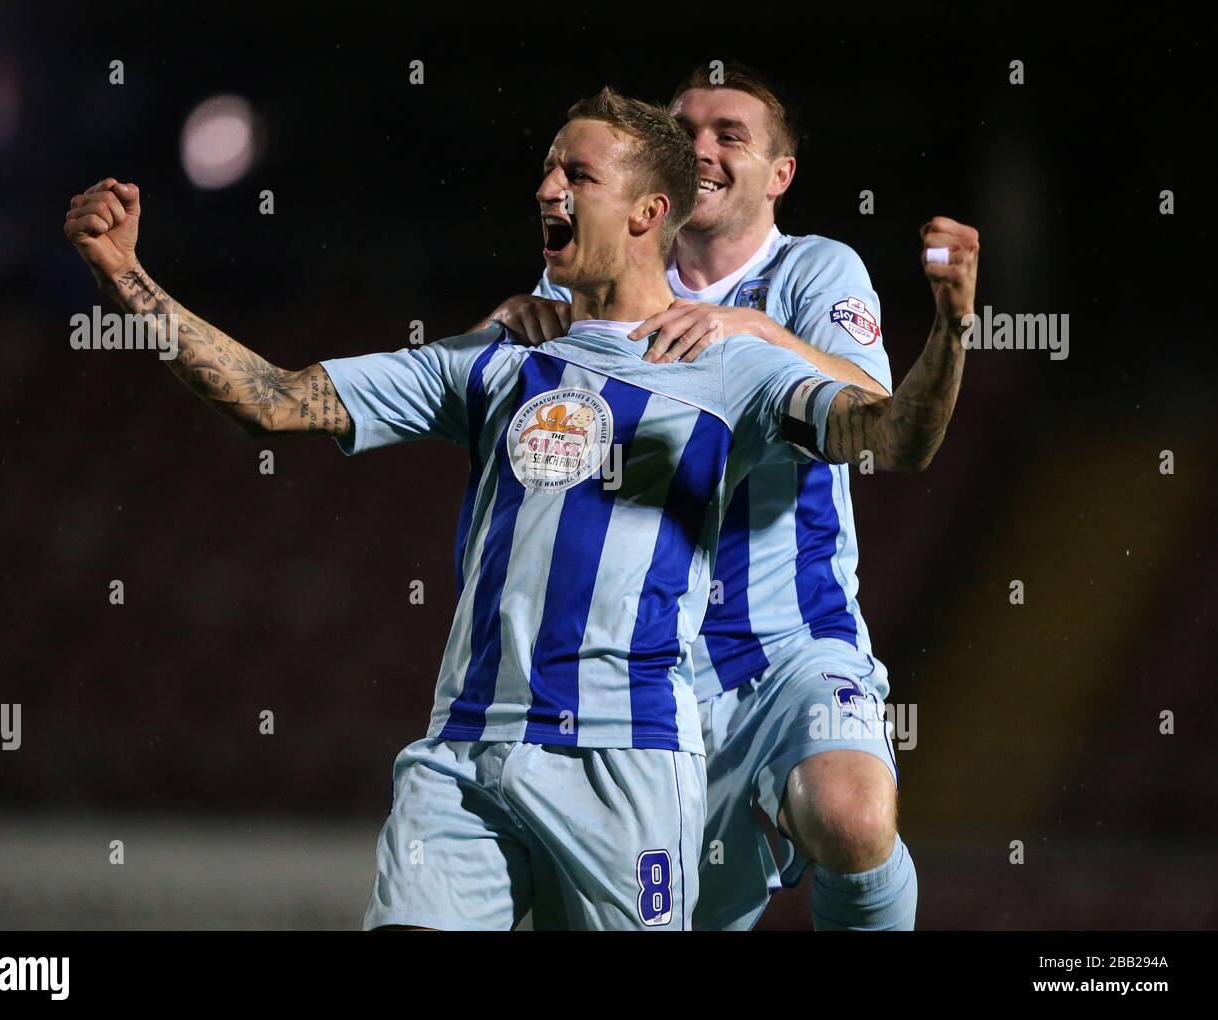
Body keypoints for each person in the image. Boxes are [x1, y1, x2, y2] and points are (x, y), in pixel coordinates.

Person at [63, 85, 973, 930]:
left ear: (649, 212)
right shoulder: (500, 355)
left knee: (849, 817)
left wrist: (951, 327)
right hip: (462, 754)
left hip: (630, 759)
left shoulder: (737, 361)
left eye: (577, 174)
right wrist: (126, 279)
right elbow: (274, 396)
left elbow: (892, 439)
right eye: (547, 168)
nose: (548, 189)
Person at [476, 63, 979, 930]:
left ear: (780, 175)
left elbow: (885, 423)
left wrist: (758, 331)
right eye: (684, 131)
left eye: (729, 135)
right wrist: (505, 331)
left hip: (791, 638)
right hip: (637, 667)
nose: (700, 150)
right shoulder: (599, 270)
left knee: (852, 816)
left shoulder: (814, 271)